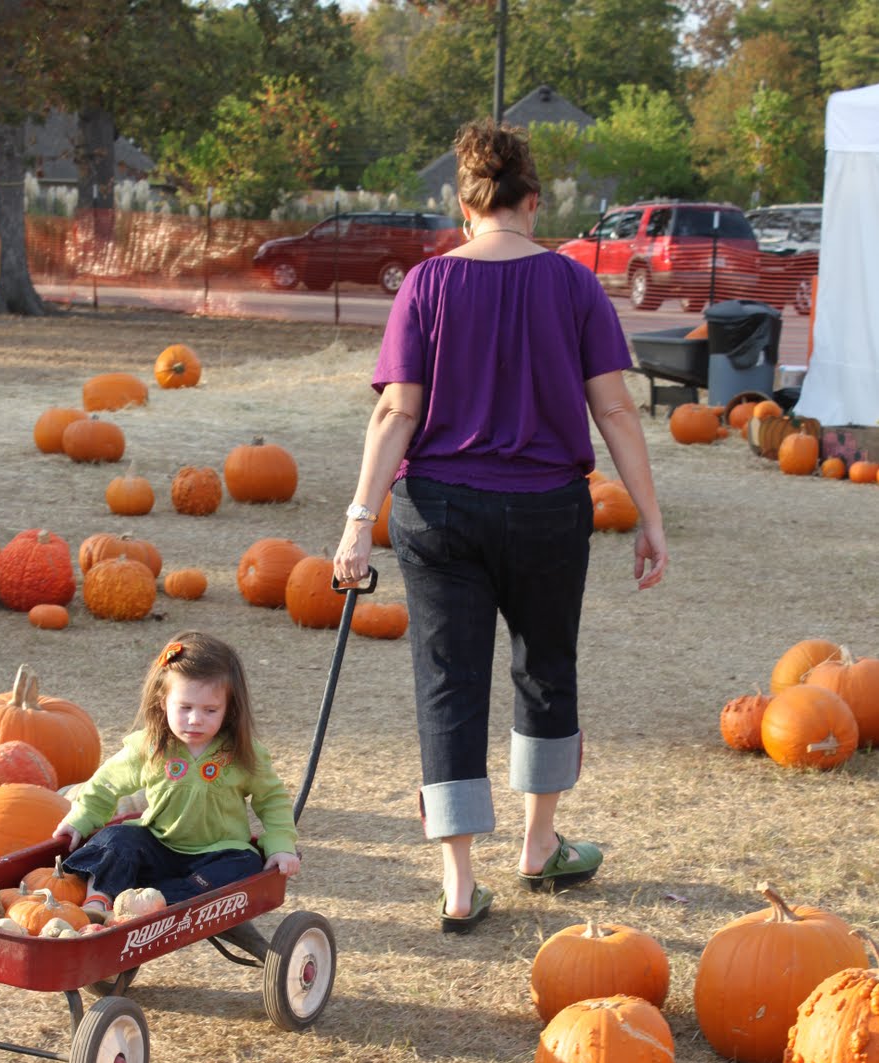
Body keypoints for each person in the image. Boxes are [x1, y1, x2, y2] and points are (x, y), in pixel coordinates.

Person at [333, 117, 668, 933]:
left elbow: (395, 412)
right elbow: (615, 409)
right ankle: (538, 846)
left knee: (446, 682)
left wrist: (355, 521)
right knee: (544, 664)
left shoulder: (427, 284)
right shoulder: (574, 284)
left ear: (464, 201)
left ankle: (456, 884)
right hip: (547, 509)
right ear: (533, 197)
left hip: (438, 509)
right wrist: (650, 519)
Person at [52, 632, 300, 921]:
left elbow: (271, 800)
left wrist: (281, 844)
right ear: (163, 702)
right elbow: (107, 783)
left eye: (210, 710)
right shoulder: (150, 746)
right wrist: (80, 818)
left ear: (229, 709)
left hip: (217, 853)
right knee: (115, 838)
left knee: (245, 864)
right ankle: (100, 900)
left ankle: (156, 902)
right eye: (185, 708)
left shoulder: (243, 753)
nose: (196, 719)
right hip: (158, 846)